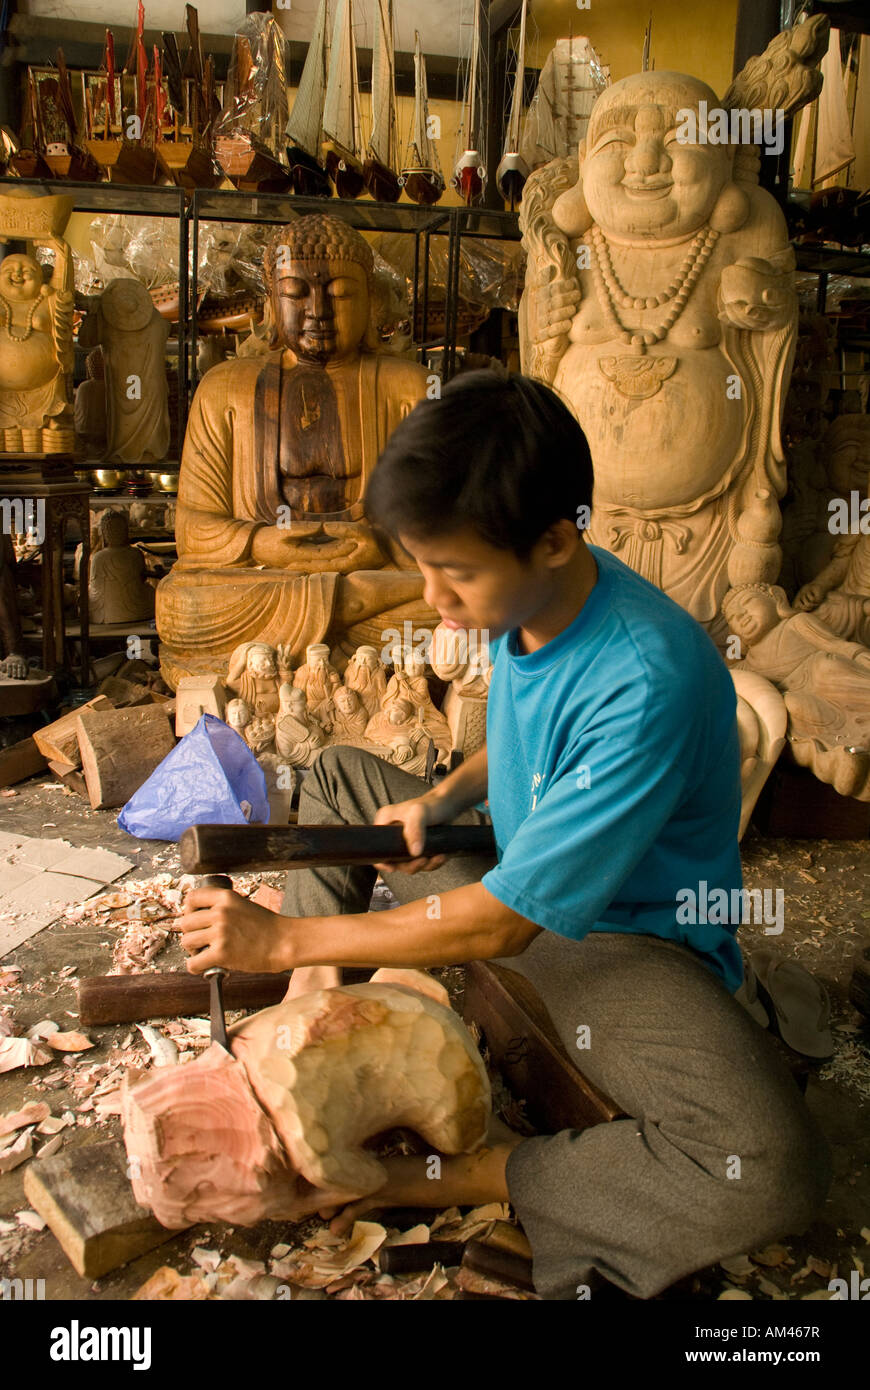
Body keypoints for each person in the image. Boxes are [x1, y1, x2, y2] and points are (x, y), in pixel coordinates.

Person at [175, 370, 830, 1300]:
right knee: (339, 780)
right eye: (423, 565)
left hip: (612, 934)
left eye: (458, 573)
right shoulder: (522, 601)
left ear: (557, 538)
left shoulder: (646, 676)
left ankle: (482, 1173)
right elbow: (526, 736)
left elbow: (506, 927)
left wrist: (286, 932)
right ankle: (302, 1021)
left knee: (770, 1171)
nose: (435, 599)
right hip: (523, 865)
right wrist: (444, 798)